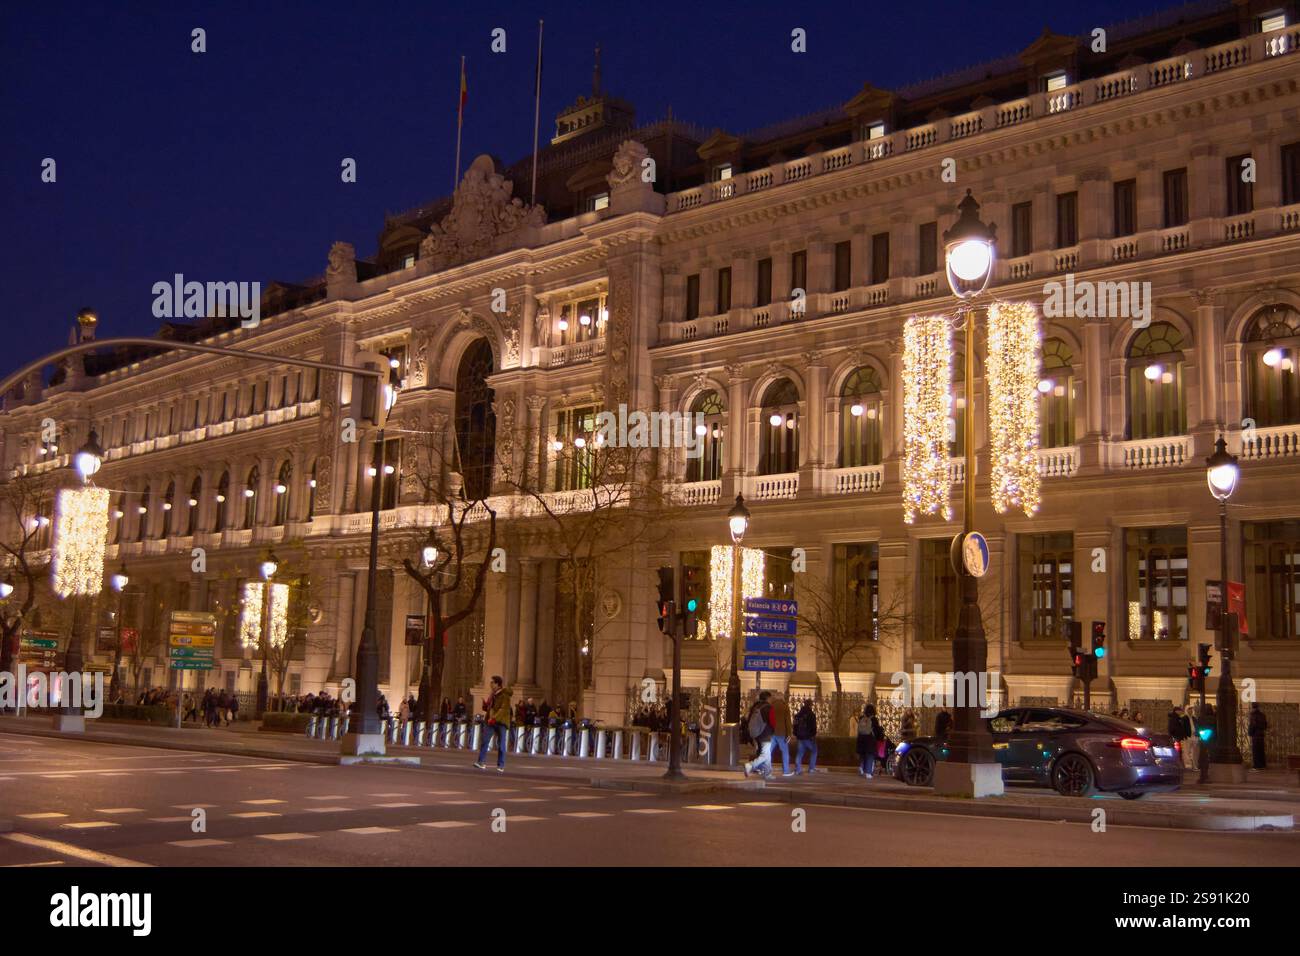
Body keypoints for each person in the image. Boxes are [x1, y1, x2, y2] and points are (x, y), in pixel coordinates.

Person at [474, 675, 513, 772]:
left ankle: (501, 765)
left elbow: (503, 710)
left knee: (501, 744)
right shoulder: (492, 694)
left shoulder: (505, 696)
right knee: (485, 740)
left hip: (501, 722)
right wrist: (485, 705)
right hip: (491, 721)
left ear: (497, 684)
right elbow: (489, 708)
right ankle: (481, 762)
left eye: (492, 682)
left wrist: (494, 718)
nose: (490, 684)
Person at [742, 691, 775, 779]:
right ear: (767, 698)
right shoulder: (768, 707)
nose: (771, 700)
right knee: (765, 754)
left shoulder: (756, 706)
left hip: (757, 733)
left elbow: (749, 719)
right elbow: (772, 721)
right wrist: (774, 730)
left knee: (767, 754)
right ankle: (750, 765)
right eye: (770, 698)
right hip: (766, 734)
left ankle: (767, 773)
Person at [770, 692, 794, 776]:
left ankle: (764, 768)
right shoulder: (784, 706)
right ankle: (786, 771)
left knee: (768, 752)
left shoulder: (771, 706)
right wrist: (789, 734)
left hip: (772, 733)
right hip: (781, 733)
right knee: (785, 752)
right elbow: (787, 722)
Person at [793, 699, 818, 774]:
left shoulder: (798, 714)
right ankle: (811, 768)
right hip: (808, 736)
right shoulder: (811, 714)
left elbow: (795, 725)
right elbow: (813, 726)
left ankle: (798, 769)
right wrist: (813, 735)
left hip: (800, 736)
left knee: (800, 752)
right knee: (814, 750)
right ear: (810, 705)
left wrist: (796, 734)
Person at [856, 705, 881, 777]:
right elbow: (877, 730)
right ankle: (868, 772)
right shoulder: (874, 719)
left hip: (861, 739)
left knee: (863, 754)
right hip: (870, 739)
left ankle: (861, 768)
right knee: (870, 755)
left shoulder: (861, 718)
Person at [1248, 702, 1268, 771]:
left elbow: (1252, 725)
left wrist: (1250, 733)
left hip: (1255, 735)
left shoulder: (1253, 715)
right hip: (1261, 734)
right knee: (1261, 750)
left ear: (1253, 707)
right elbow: (1265, 725)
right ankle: (1263, 765)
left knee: (1255, 751)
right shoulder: (1263, 715)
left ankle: (1257, 766)